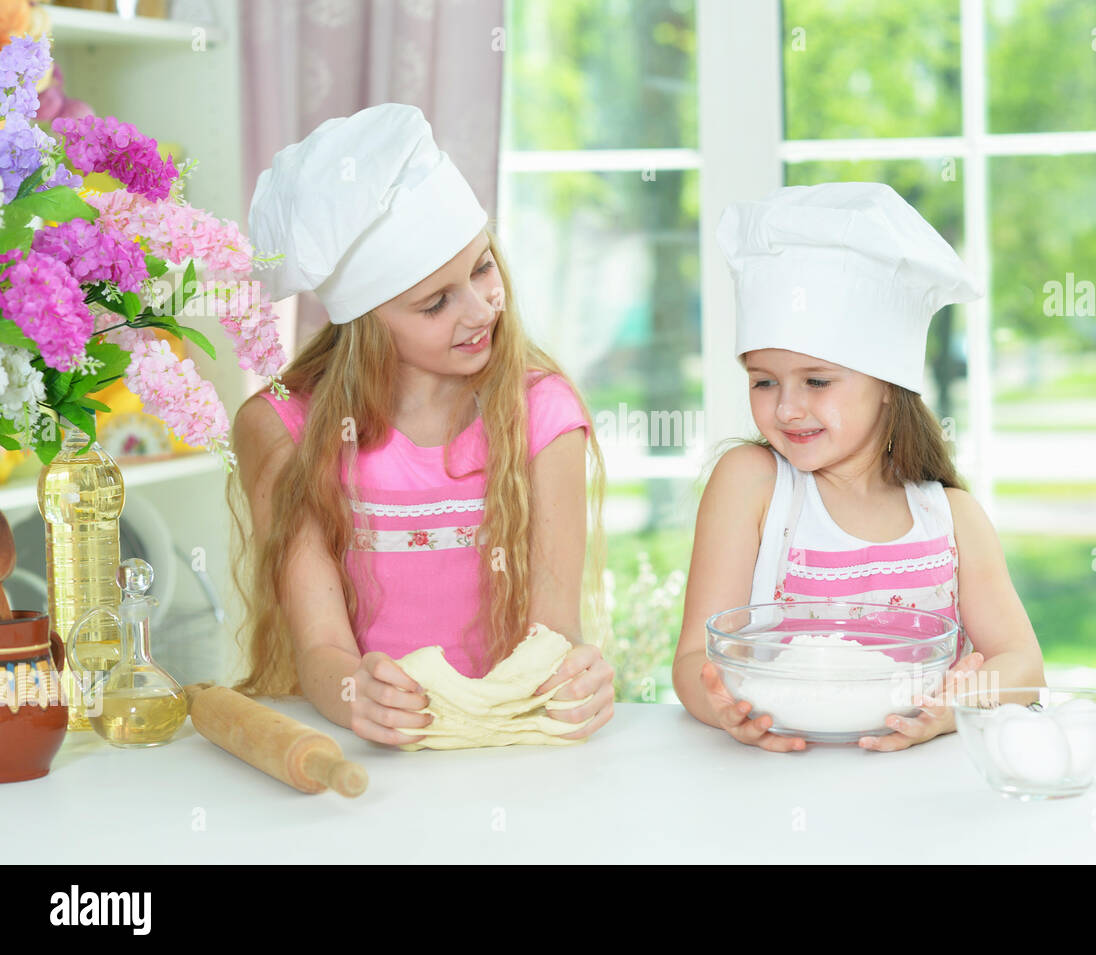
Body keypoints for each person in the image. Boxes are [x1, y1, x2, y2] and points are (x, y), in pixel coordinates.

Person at [228, 103, 614, 746]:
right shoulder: (283, 429)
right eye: (436, 302)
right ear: (365, 323)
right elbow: (320, 646)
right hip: (365, 752)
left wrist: (577, 677)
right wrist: (361, 694)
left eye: (483, 267)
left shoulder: (542, 413)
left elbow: (555, 634)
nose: (480, 310)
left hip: (511, 751)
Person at [673, 181, 1045, 752]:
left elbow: (1022, 667)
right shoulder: (752, 485)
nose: (787, 407)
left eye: (816, 381)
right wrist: (724, 709)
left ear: (889, 386)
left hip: (918, 799)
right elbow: (697, 661)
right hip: (777, 785)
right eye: (764, 381)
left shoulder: (949, 518)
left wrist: (952, 711)